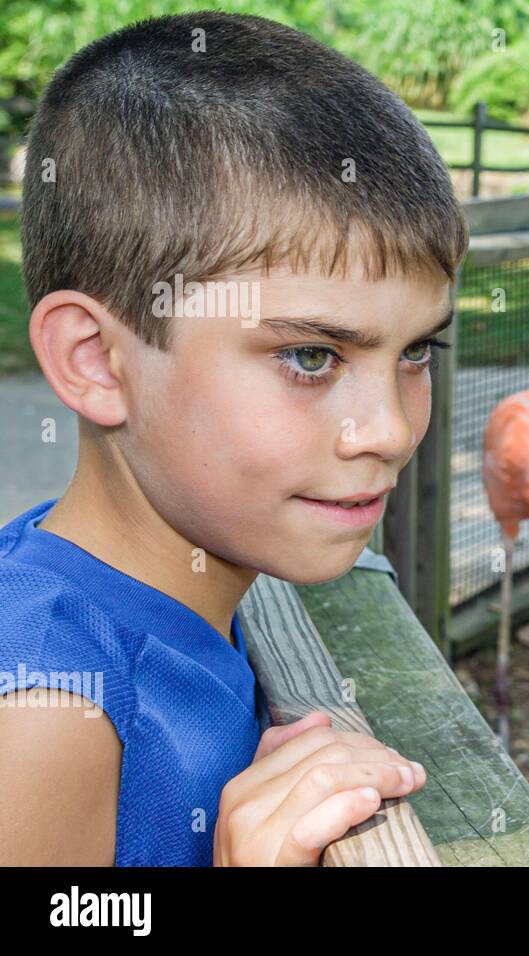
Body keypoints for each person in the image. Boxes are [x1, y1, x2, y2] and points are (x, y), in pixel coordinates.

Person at [0, 11, 467, 865]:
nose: (392, 432)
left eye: (416, 353)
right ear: (97, 362)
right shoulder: (42, 718)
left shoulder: (176, 584)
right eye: (311, 356)